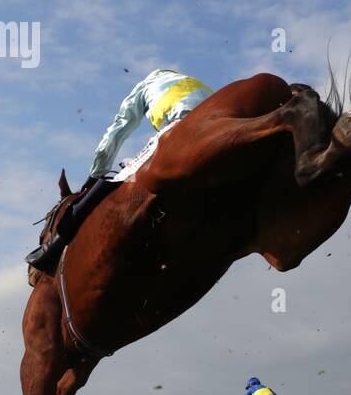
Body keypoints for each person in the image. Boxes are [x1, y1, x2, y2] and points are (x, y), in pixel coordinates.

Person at [26, 69, 214, 272]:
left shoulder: (144, 87)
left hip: (179, 126)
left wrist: (96, 173)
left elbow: (118, 131)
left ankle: (53, 247)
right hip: (214, 123)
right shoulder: (196, 83)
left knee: (118, 177)